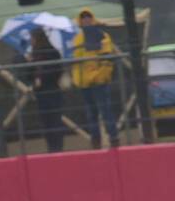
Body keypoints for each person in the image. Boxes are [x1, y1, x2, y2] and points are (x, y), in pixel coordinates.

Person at [70, 9, 119, 149]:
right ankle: (95, 140)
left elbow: (107, 58)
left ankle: (114, 138)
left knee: (105, 111)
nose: (86, 19)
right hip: (85, 82)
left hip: (99, 81)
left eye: (88, 17)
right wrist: (78, 78)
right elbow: (76, 59)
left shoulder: (102, 35)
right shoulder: (78, 38)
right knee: (91, 113)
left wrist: (99, 75)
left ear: (92, 18)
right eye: (83, 17)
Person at [29, 29, 65, 152]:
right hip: (42, 92)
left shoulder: (51, 52)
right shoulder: (35, 54)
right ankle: (52, 146)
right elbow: (30, 74)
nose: (31, 41)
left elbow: (56, 70)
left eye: (32, 38)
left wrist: (41, 77)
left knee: (54, 119)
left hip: (51, 89)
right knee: (46, 121)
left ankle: (56, 146)